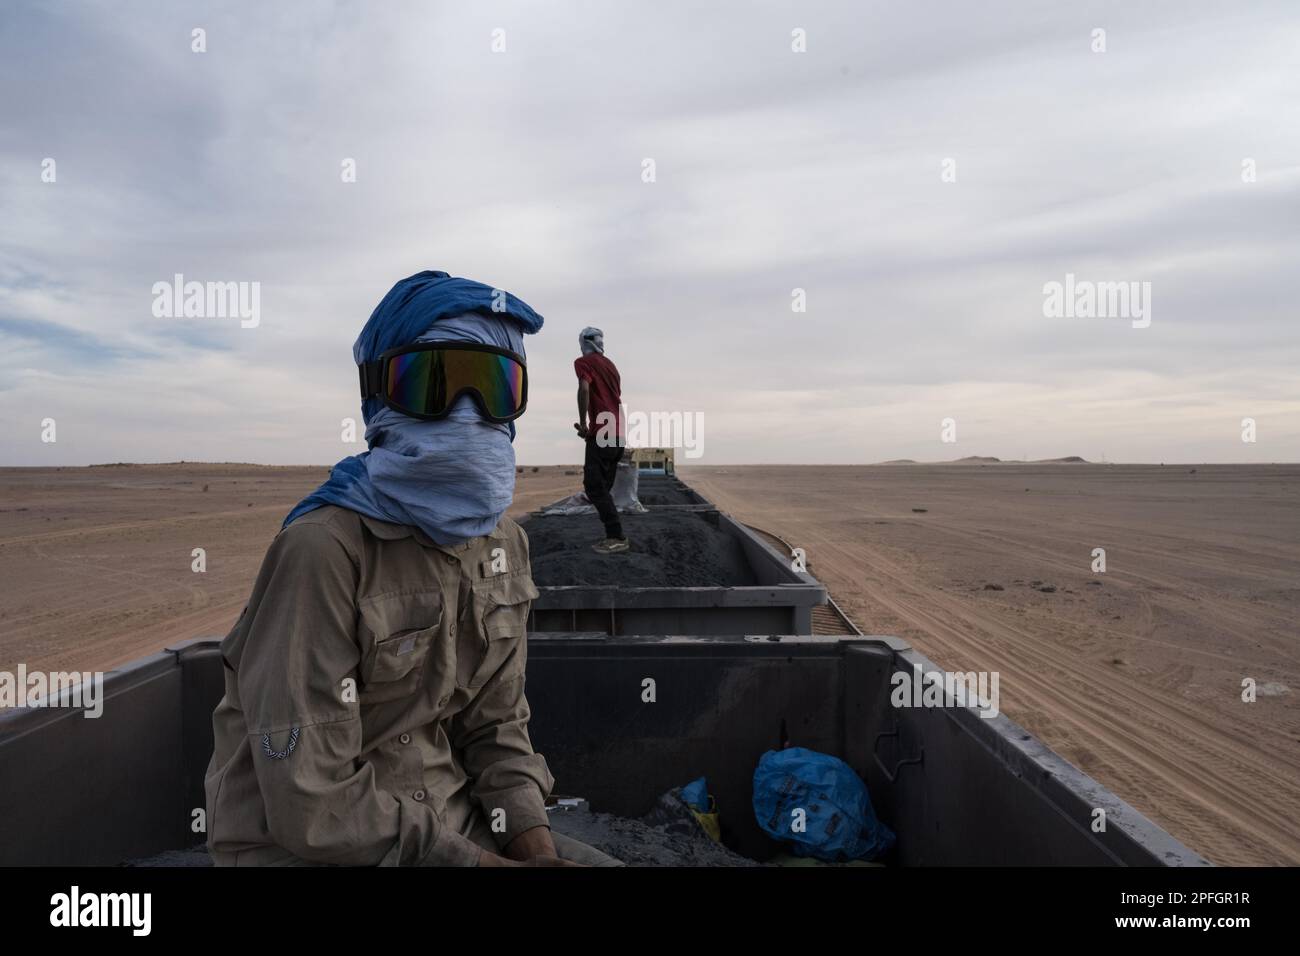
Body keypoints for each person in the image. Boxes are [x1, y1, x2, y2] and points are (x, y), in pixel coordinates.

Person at [203, 270, 619, 867]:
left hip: (449, 819)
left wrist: (535, 848)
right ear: (380, 397)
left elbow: (496, 730)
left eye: (493, 388)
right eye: (432, 384)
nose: (465, 414)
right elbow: (310, 802)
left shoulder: (504, 544)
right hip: (309, 847)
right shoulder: (322, 551)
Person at [573, 326, 629, 554]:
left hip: (602, 431)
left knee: (594, 487)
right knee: (603, 486)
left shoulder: (583, 362)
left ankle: (616, 536)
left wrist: (584, 423)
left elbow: (584, 390)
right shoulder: (611, 366)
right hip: (619, 431)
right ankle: (613, 531)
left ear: (584, 343)